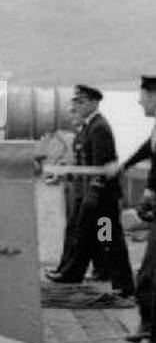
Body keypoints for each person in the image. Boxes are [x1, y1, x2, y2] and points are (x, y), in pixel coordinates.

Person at [48, 85, 134, 298]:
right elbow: (85, 165)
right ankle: (82, 273)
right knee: (91, 238)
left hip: (102, 199)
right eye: (77, 101)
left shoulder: (98, 128)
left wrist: (93, 196)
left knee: (108, 239)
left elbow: (100, 167)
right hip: (94, 196)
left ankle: (123, 285)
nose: (78, 105)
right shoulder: (89, 127)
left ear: (94, 103)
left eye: (83, 101)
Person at [103, 74, 156, 343]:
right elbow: (149, 152)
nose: (139, 101)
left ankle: (152, 337)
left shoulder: (98, 129)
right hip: (105, 210)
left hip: (105, 208)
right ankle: (146, 327)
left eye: (143, 96)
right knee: (146, 275)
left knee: (148, 273)